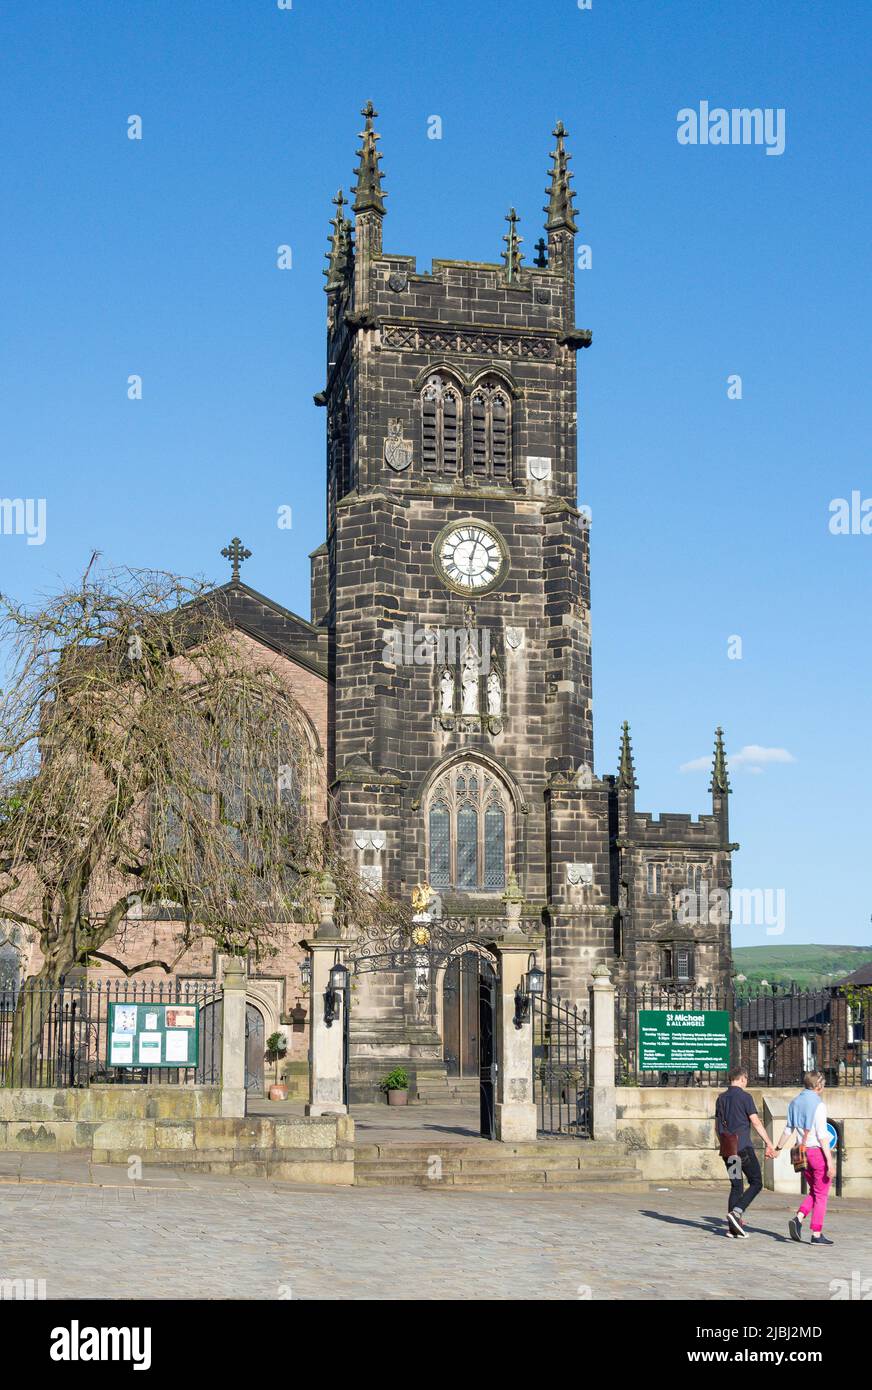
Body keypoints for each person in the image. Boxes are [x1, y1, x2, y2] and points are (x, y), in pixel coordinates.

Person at [773, 1071, 835, 1246]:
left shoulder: (795, 1102)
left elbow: (788, 1130)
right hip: (816, 1152)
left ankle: (799, 1218)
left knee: (815, 1191)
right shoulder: (819, 1105)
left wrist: (778, 1148)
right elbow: (823, 1136)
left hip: (801, 1152)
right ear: (818, 1085)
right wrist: (830, 1162)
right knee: (822, 1194)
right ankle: (816, 1233)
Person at [715, 1067, 776, 1238]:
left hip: (729, 1151)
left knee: (736, 1185)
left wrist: (724, 1144)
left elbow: (716, 1127)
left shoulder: (720, 1099)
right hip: (743, 1149)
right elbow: (756, 1122)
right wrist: (769, 1144)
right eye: (746, 1080)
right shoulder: (745, 1097)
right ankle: (736, 1213)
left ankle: (732, 1228)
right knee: (756, 1182)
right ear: (742, 1079)